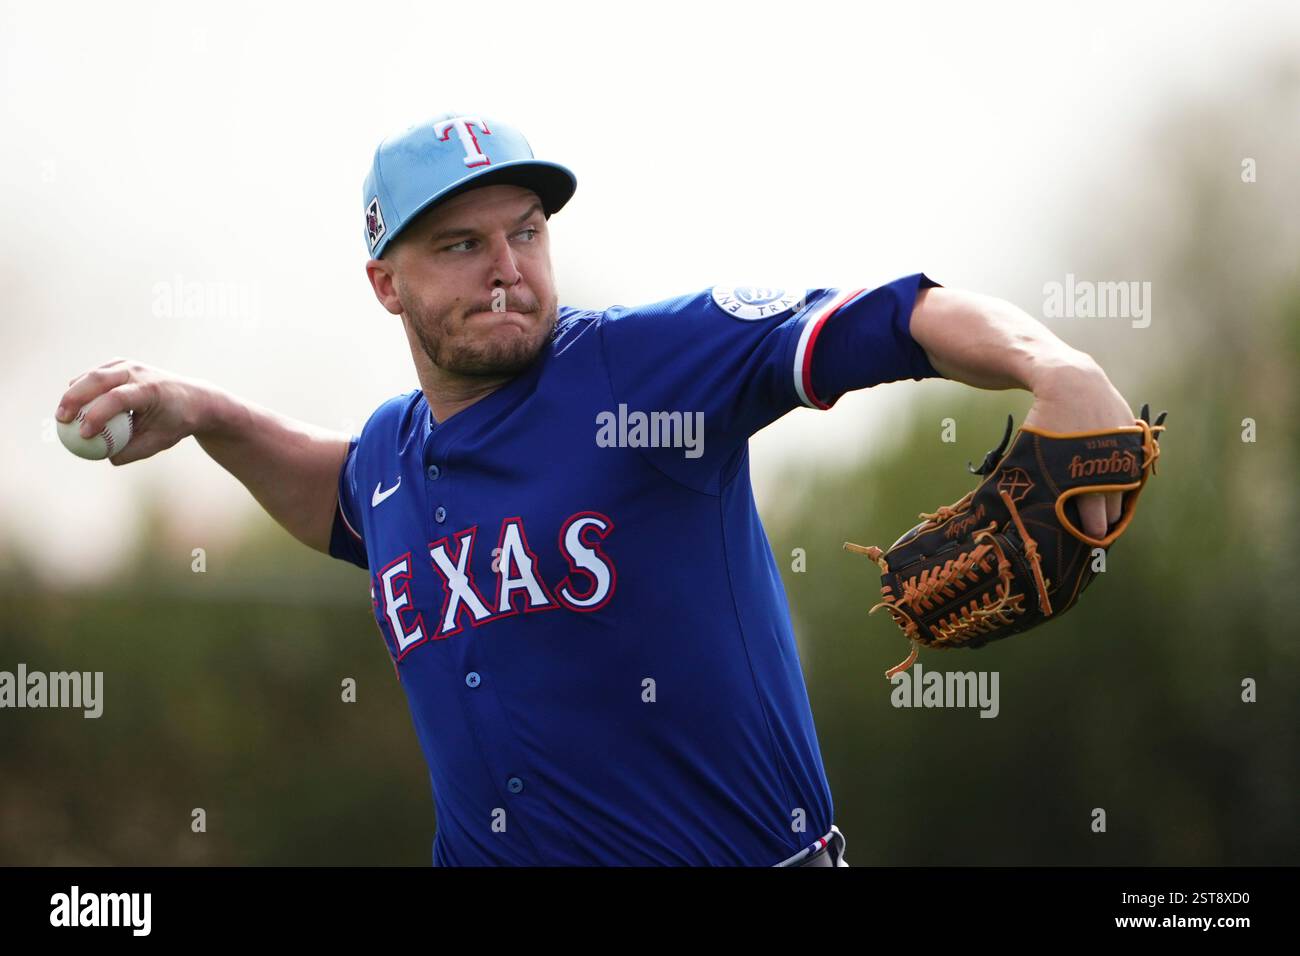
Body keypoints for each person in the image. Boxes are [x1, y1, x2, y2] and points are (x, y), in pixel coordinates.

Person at [54, 111, 1135, 866]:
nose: (506, 266)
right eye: (460, 244)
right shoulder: (392, 463)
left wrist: (1058, 368)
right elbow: (333, 493)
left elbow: (889, 314)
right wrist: (206, 413)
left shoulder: (651, 365)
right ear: (385, 279)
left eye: (525, 230)